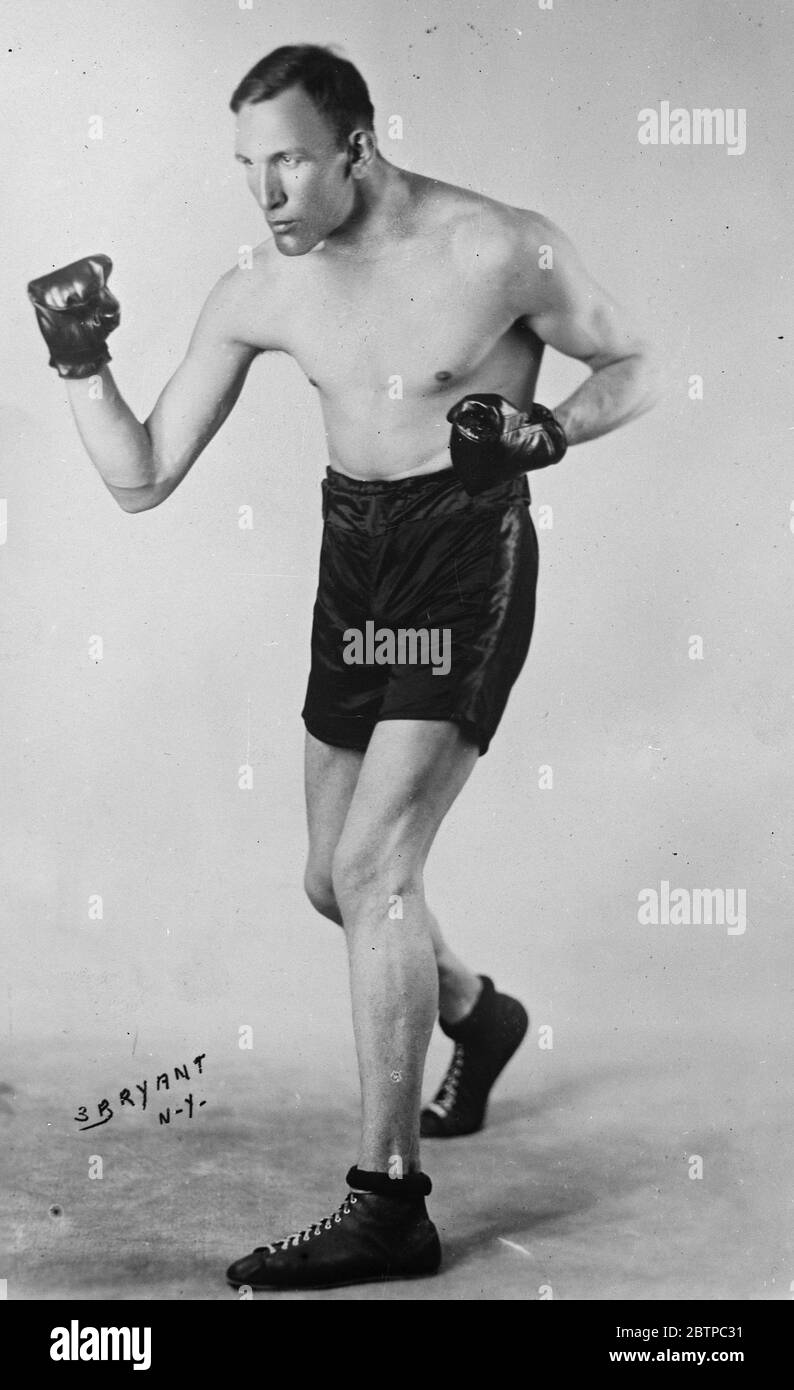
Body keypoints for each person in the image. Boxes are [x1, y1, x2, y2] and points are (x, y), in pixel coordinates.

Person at [27, 43, 660, 1290]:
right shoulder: (264, 286)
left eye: (288, 163)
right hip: (353, 562)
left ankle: (389, 1206)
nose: (263, 195)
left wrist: (547, 429)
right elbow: (142, 476)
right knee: (332, 879)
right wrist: (78, 362)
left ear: (357, 146)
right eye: (246, 167)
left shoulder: (498, 249)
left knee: (378, 866)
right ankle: (480, 1015)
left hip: (460, 556)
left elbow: (631, 362)